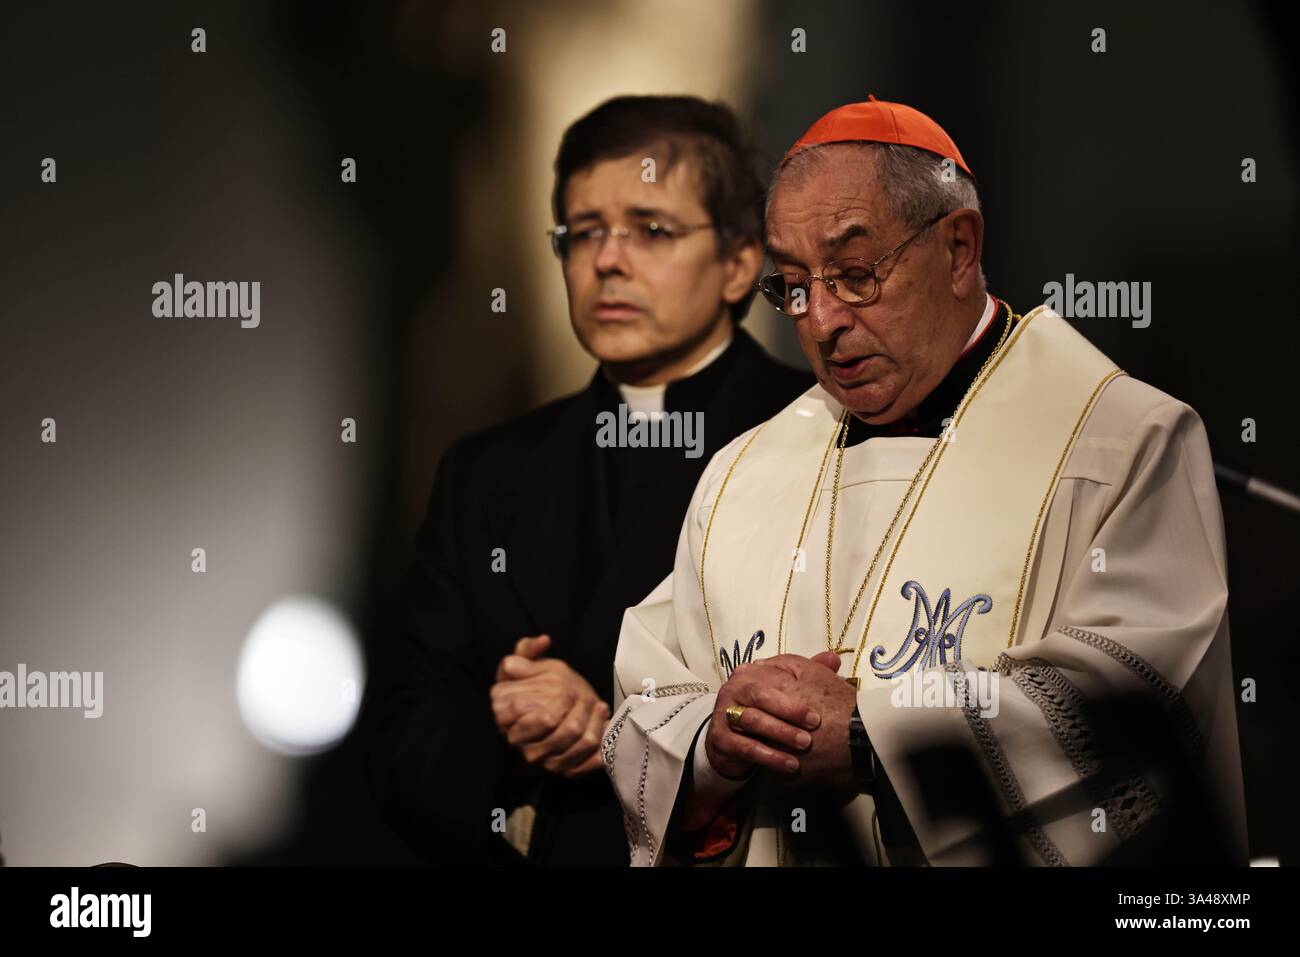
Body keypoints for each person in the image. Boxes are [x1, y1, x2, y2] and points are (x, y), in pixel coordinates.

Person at [603, 96, 1248, 866]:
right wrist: (720, 741)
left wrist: (871, 738)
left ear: (958, 249)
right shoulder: (741, 473)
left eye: (853, 273)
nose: (820, 321)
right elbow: (649, 704)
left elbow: (1133, 710)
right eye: (794, 284)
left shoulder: (1119, 442)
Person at [364, 95, 811, 865]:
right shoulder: (484, 472)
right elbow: (399, 738)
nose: (608, 259)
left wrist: (615, 729)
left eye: (651, 230)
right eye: (583, 233)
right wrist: (507, 723)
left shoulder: (817, 437)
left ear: (740, 262)